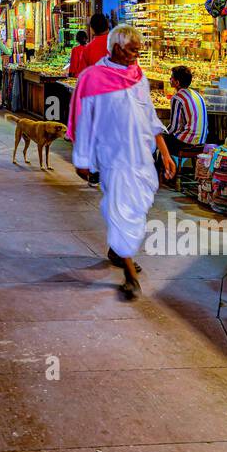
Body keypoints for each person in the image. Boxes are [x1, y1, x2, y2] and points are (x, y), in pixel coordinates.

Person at [67, 24, 176, 300]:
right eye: (131, 50)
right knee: (120, 210)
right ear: (116, 47)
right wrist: (82, 159)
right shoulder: (92, 78)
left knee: (135, 209)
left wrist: (164, 152)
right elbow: (83, 120)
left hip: (140, 158)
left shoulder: (139, 77)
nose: (136, 55)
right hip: (112, 157)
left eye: (139, 50)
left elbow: (149, 117)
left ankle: (119, 250)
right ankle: (129, 274)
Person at [166, 65, 208, 154]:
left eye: (171, 78)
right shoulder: (197, 94)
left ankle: (161, 166)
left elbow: (174, 127)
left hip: (187, 143)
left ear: (177, 82)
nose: (170, 79)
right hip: (202, 141)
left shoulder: (177, 97)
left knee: (159, 140)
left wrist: (161, 133)